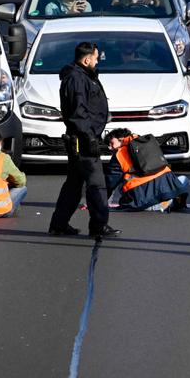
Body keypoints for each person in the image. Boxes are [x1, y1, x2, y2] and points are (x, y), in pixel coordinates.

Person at [49, 41, 120, 238]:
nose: (98, 62)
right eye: (96, 59)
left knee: (74, 184)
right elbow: (78, 112)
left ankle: (59, 224)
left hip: (83, 138)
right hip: (82, 140)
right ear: (87, 59)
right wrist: (89, 137)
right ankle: (98, 226)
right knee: (97, 184)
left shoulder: (83, 76)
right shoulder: (76, 79)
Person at [105, 129, 190, 212]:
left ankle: (159, 204)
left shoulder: (119, 154)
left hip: (140, 200)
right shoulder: (148, 144)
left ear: (121, 139)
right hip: (166, 188)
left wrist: (100, 202)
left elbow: (110, 182)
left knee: (122, 182)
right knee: (184, 179)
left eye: (111, 143)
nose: (110, 147)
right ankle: (169, 199)